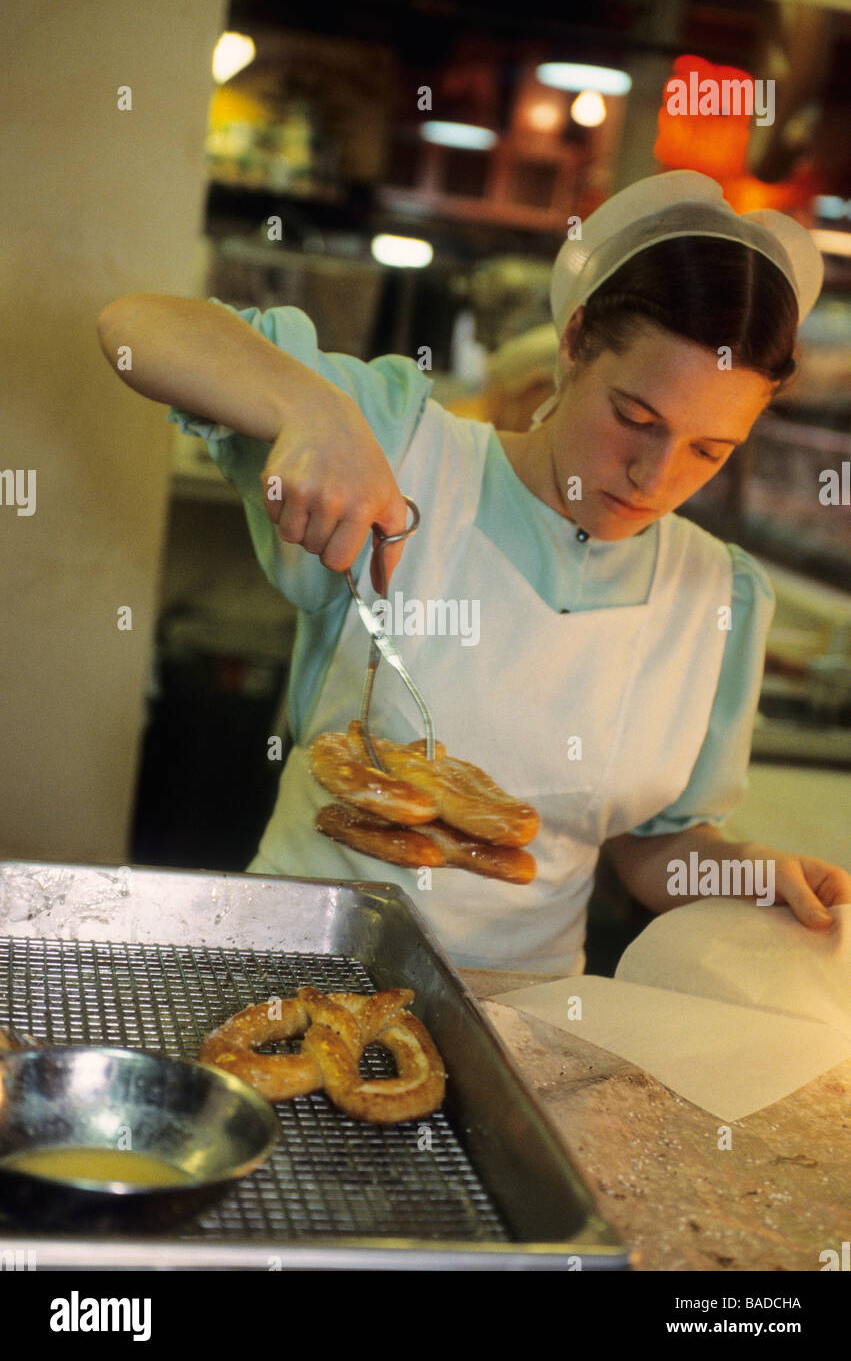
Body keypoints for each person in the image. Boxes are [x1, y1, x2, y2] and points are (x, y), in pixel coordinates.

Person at [97, 170, 851, 975]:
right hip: (295, 967)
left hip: (518, 1021)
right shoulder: (407, 450)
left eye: (710, 450)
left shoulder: (719, 594)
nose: (653, 478)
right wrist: (313, 412)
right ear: (573, 341)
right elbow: (135, 327)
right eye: (634, 418)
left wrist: (739, 872)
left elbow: (648, 849)